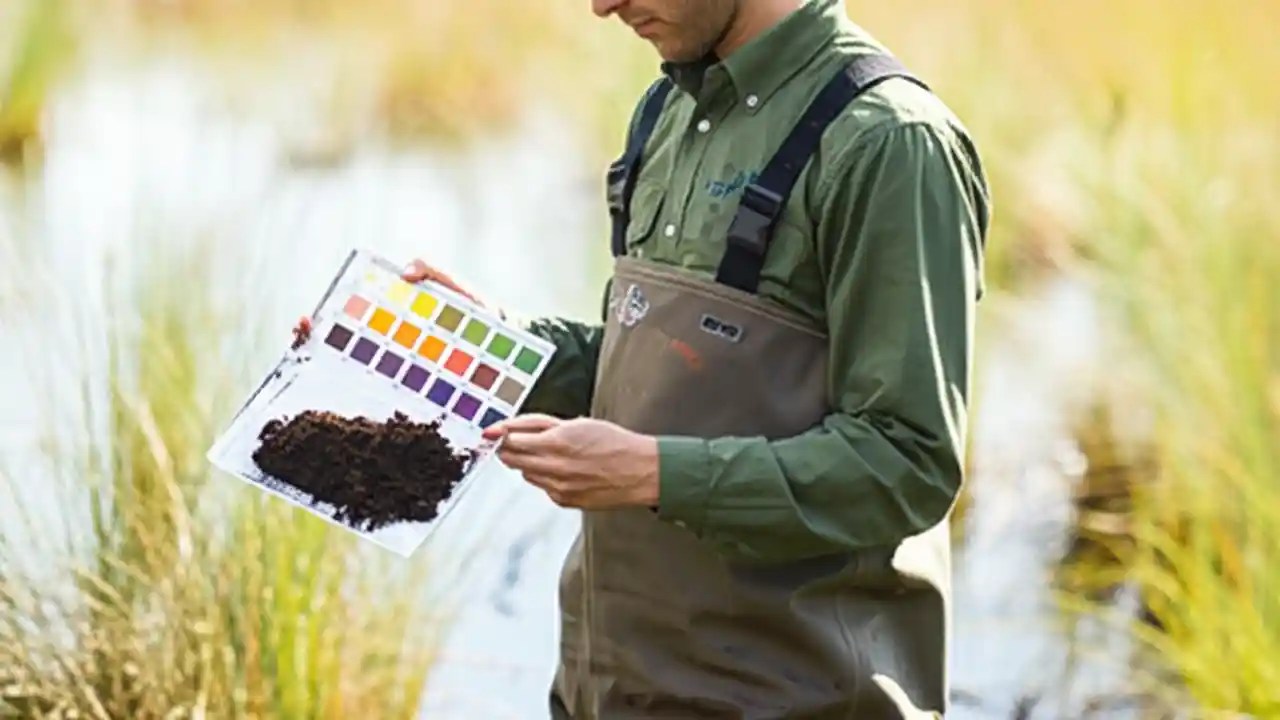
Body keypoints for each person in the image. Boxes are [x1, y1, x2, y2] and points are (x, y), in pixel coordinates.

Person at [296, 0, 989, 716]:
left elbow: (905, 463)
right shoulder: (668, 106)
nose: (602, 5)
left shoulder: (892, 145)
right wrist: (480, 342)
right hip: (607, 691)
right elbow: (661, 369)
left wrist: (651, 473)